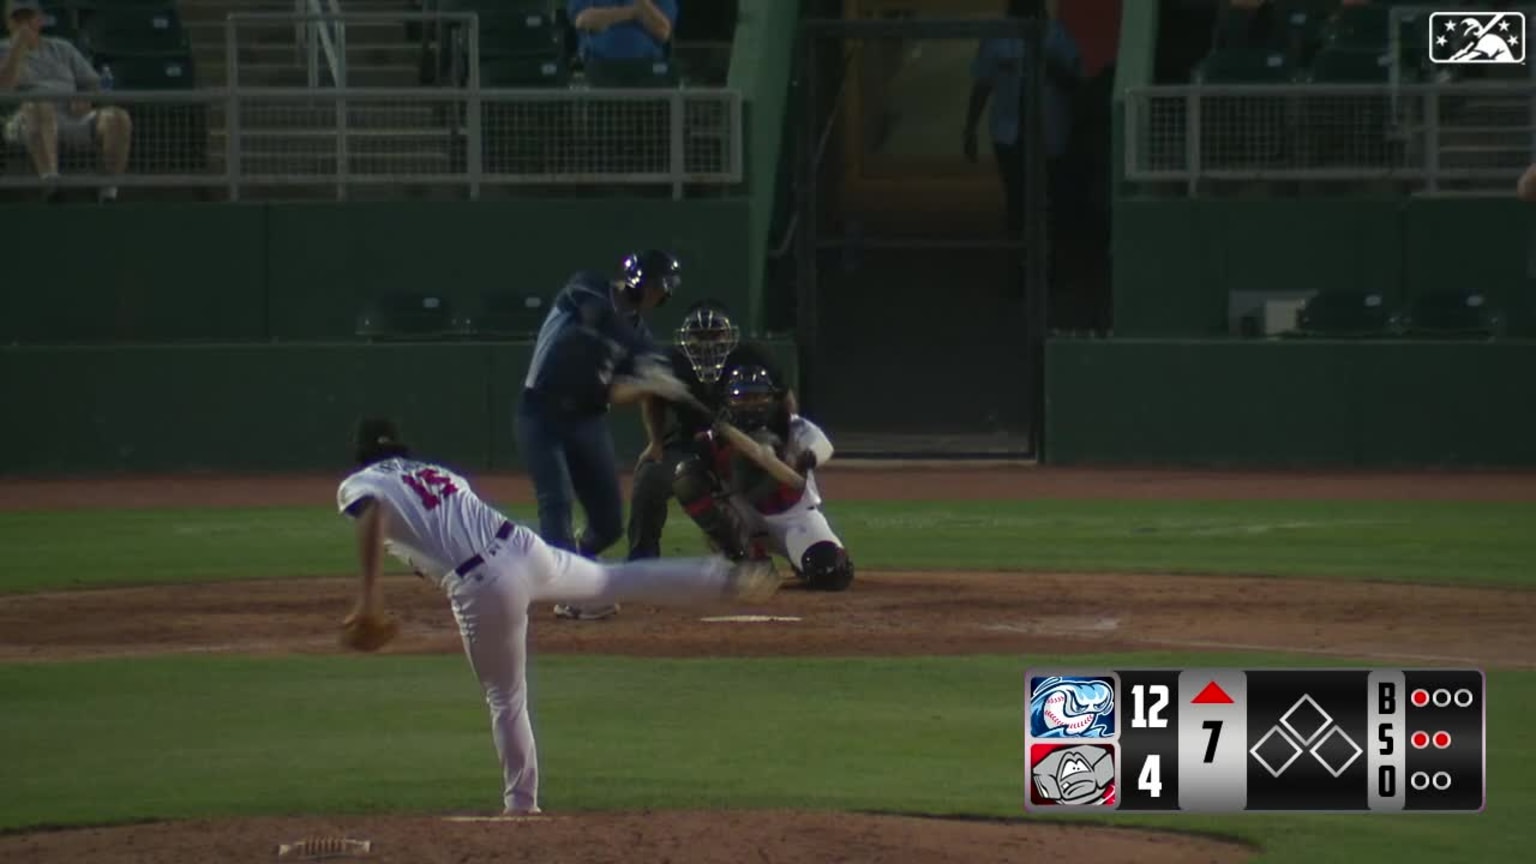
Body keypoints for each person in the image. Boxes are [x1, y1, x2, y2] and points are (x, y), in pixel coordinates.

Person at [335, 417, 779, 816]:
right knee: (612, 581)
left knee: (505, 697)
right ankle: (725, 579)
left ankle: (522, 807)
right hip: (527, 549)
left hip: (485, 583)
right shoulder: (436, 473)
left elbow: (372, 514)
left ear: (359, 457)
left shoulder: (359, 484)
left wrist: (368, 598)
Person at [516, 249, 688, 622]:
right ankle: (567, 591)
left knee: (609, 523)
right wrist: (649, 362)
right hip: (541, 410)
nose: (661, 296)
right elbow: (598, 320)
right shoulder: (588, 288)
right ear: (644, 282)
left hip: (586, 421)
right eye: (659, 287)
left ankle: (570, 558)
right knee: (556, 499)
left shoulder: (638, 335)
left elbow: (613, 391)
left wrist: (648, 385)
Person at [625, 299, 795, 563]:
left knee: (765, 485)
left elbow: (784, 398)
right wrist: (655, 442)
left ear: (728, 334)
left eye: (714, 334)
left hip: (745, 442)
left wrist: (788, 435)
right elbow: (651, 400)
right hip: (688, 441)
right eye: (699, 335)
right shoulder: (671, 362)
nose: (707, 342)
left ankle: (766, 547)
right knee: (651, 477)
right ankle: (642, 559)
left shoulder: (753, 356)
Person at [674, 365, 855, 592]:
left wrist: (805, 458)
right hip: (743, 520)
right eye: (742, 398)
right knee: (687, 476)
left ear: (771, 399)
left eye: (757, 397)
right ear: (729, 401)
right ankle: (746, 557)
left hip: (795, 518)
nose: (750, 404)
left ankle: (803, 560)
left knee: (830, 573)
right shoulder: (712, 439)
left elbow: (822, 445)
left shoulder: (792, 426)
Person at [962, 0, 1081, 241]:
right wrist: (970, 129)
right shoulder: (997, 36)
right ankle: (1020, 258)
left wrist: (1052, 67)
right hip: (1009, 134)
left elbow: (1075, 81)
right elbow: (983, 84)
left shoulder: (1056, 34)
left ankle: (1049, 264)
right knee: (1017, 200)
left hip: (1050, 133)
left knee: (1052, 200)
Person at [0, 0, 132, 203]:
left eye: (29, 17)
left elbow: (93, 85)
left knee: (117, 118)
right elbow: (5, 87)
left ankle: (108, 193)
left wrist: (84, 98)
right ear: (8, 23)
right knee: (39, 104)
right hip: (23, 120)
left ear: (40, 20)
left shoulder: (63, 48)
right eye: (18, 19)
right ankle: (52, 186)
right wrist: (18, 47)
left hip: (69, 117)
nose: (24, 24)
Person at [568, 0, 676, 63]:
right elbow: (583, 20)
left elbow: (663, 31)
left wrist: (641, 3)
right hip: (597, 68)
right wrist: (634, 12)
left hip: (648, 69)